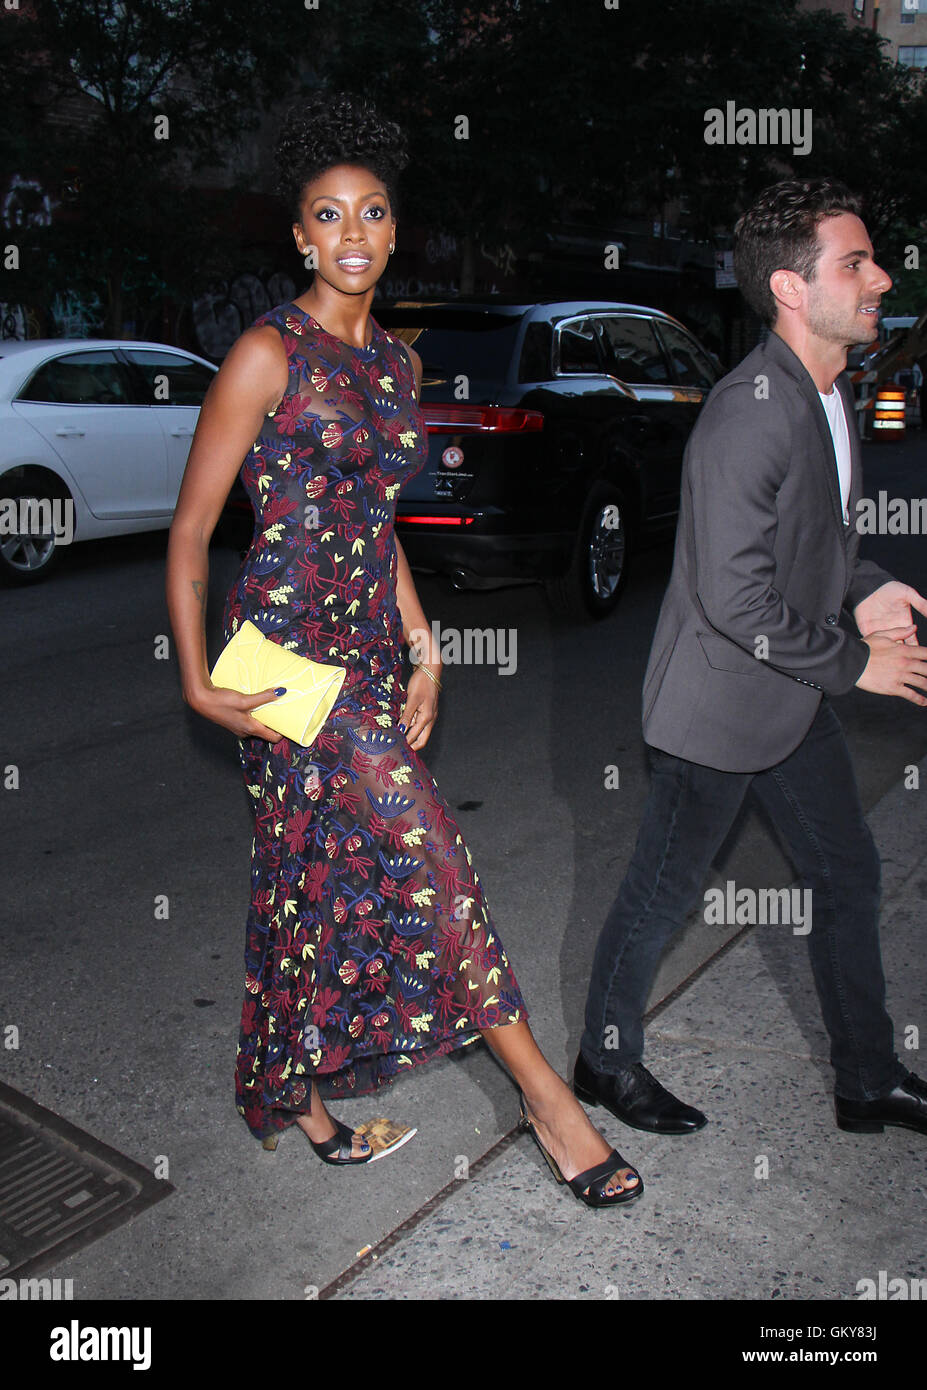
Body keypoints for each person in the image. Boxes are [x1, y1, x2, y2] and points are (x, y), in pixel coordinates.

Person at [165, 91, 641, 1206]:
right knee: (436, 861)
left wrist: (428, 649)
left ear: (393, 227)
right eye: (327, 217)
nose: (352, 235)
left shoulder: (400, 368)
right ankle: (546, 1100)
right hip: (280, 658)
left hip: (372, 653)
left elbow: (377, 526)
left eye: (371, 214)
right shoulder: (263, 355)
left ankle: (297, 1095)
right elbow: (194, 531)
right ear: (299, 234)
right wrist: (193, 673)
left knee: (307, 875)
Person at [576, 177, 927, 1141]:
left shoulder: (829, 392)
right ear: (787, 285)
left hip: (787, 697)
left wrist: (864, 588)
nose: (878, 278)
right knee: (664, 891)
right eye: (854, 263)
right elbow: (734, 599)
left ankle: (865, 1078)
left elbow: (815, 542)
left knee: (847, 874)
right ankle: (604, 1061)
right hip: (718, 708)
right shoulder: (749, 413)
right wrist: (855, 664)